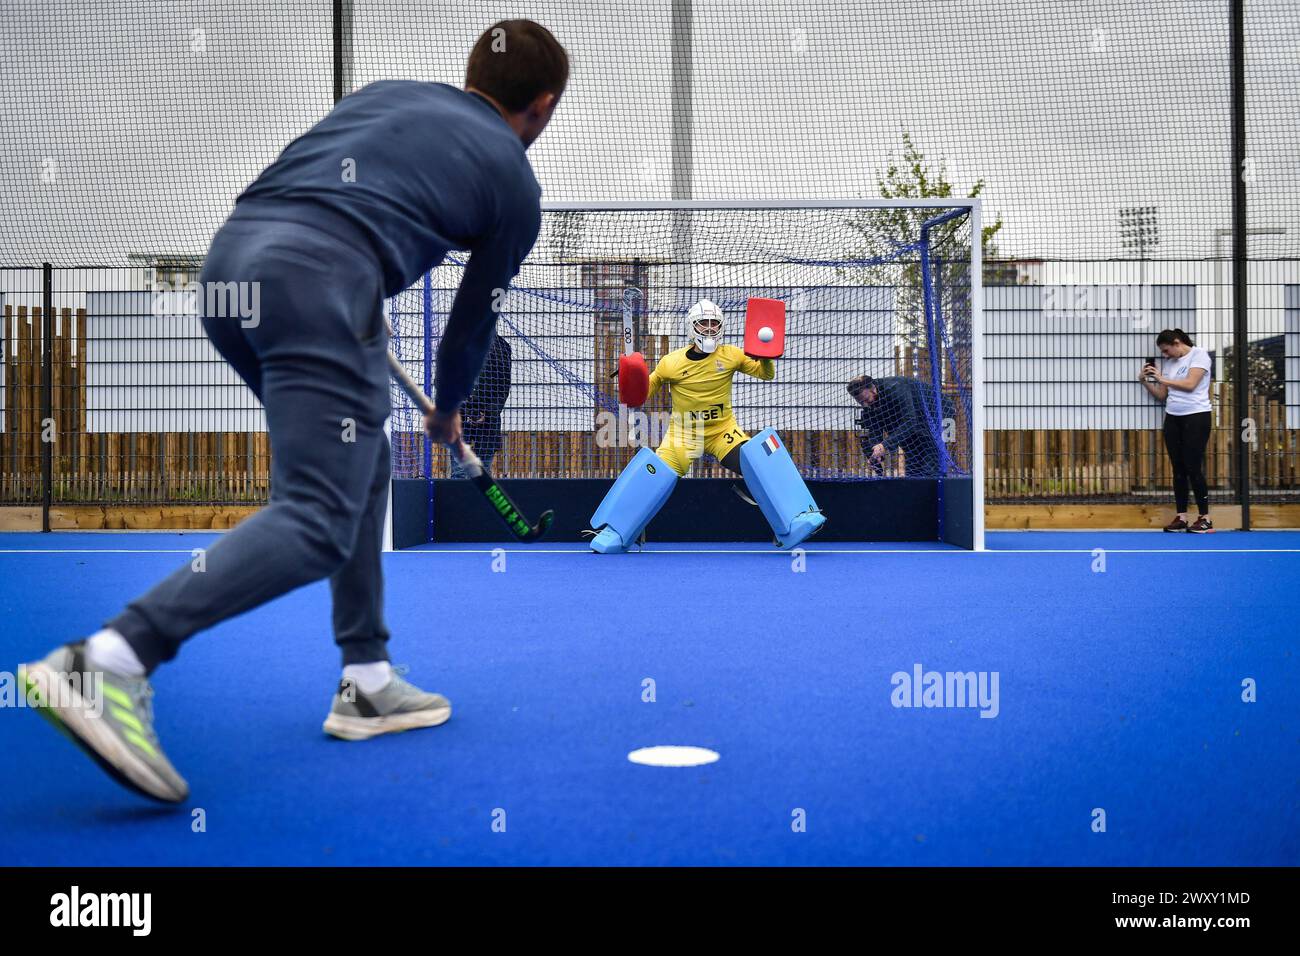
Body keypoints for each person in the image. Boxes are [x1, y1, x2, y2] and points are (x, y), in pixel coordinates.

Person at [18, 20, 567, 803]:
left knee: (363, 456)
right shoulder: (513, 180)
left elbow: (317, 195)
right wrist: (449, 412)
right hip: (319, 279)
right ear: (542, 106)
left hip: (232, 266)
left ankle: (368, 677)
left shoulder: (389, 97)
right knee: (318, 516)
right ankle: (109, 659)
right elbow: (473, 322)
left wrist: (348, 297)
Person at [586, 299, 826, 552]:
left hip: (722, 432)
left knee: (761, 459)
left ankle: (793, 521)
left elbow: (766, 374)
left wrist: (764, 357)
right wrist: (631, 375)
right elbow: (641, 395)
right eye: (704, 324)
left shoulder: (732, 355)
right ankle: (617, 531)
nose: (710, 329)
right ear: (692, 327)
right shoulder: (671, 362)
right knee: (652, 475)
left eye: (715, 324)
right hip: (683, 435)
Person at [1141, 328, 1213, 532]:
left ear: (1176, 342)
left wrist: (1162, 378)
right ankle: (1181, 517)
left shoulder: (1199, 355)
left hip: (1196, 417)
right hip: (1173, 418)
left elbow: (1190, 384)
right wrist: (1145, 381)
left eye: (1166, 350)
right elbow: (1162, 396)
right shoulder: (1170, 364)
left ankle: (1205, 518)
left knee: (1193, 467)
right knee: (1178, 469)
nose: (1165, 355)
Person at [847, 374, 947, 477]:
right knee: (913, 461)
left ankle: (934, 487)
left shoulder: (895, 388)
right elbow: (875, 427)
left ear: (873, 390)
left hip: (939, 412)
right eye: (860, 402)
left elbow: (910, 421)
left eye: (866, 399)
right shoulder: (870, 403)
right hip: (917, 417)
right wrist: (875, 453)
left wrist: (884, 445)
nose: (865, 405)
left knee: (931, 459)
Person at [451, 332, 512, 477]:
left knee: (482, 470)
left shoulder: (501, 347)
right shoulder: (455, 344)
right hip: (461, 418)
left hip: (486, 419)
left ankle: (477, 499)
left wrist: (487, 412)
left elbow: (503, 387)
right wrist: (465, 410)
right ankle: (459, 498)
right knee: (460, 470)